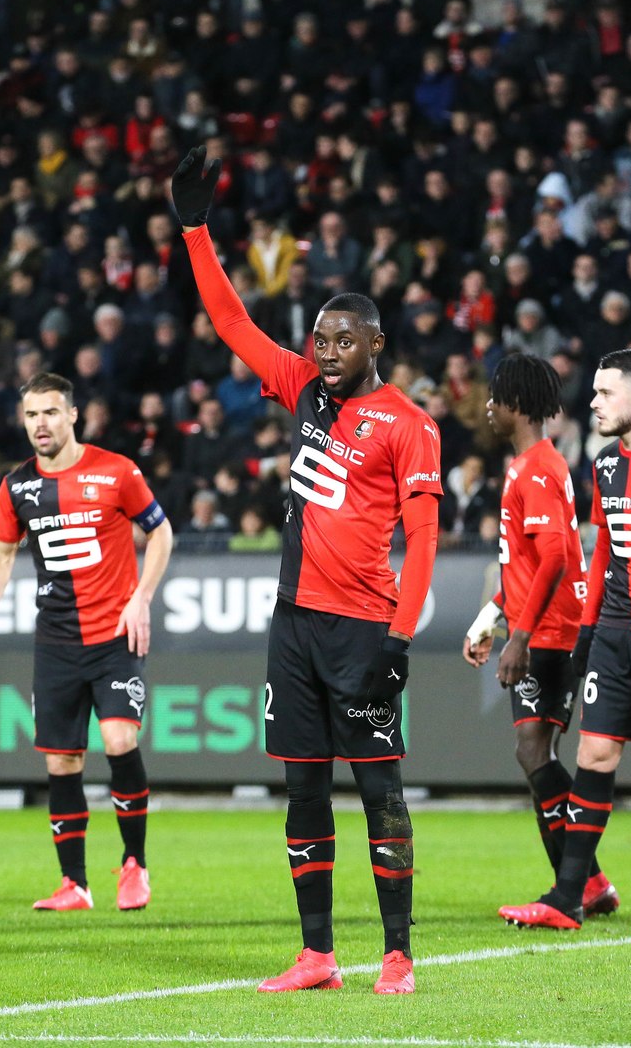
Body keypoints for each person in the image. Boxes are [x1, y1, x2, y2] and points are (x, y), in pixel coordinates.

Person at [174, 146, 442, 995]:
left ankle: (397, 952)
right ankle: (318, 953)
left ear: (375, 343)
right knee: (301, 790)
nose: (326, 349)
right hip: (292, 621)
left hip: (363, 626)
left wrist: (401, 636)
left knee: (380, 790)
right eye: (320, 337)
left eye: (343, 339)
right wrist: (193, 230)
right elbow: (229, 320)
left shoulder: (408, 424)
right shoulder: (302, 390)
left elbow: (425, 538)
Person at [501, 349, 631, 935]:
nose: (592, 402)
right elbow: (602, 554)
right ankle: (569, 896)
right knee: (593, 756)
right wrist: (590, 630)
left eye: (604, 393)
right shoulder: (605, 464)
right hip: (615, 634)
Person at [0, 372, 174, 913]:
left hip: (115, 635)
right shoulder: (16, 486)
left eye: (51, 413)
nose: (41, 424)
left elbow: (161, 532)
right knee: (61, 763)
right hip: (56, 642)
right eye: (32, 415)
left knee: (120, 739)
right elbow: (2, 555)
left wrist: (141, 597)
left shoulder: (116, 471)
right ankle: (74, 884)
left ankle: (134, 866)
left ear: (73, 415)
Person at [460, 354, 618, 916]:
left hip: (553, 635)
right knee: (533, 753)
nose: (487, 407)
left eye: (495, 398)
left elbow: (555, 558)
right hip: (539, 627)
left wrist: (519, 638)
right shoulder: (527, 466)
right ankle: (584, 883)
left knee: (533, 750)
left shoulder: (542, 468)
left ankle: (574, 889)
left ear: (517, 405)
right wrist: (489, 621)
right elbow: (526, 567)